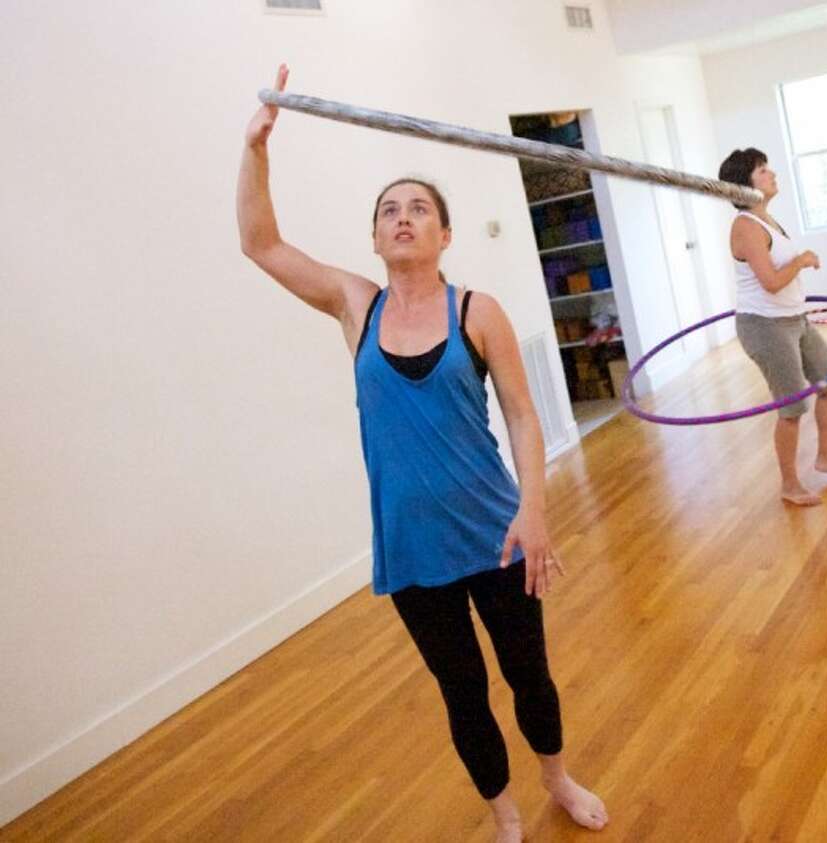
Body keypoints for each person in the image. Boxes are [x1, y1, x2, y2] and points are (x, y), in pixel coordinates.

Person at [236, 65, 607, 843]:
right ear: (375, 237)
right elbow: (260, 243)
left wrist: (534, 513)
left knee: (528, 675)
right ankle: (505, 813)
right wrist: (258, 149)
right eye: (390, 211)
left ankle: (557, 777)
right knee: (462, 691)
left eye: (420, 210)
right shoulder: (354, 305)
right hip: (409, 547)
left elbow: (523, 416)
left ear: (444, 234)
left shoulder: (478, 310)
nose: (403, 218)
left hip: (499, 534)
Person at [718, 148, 827, 507]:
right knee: (793, 406)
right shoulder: (746, 227)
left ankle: (826, 456)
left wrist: (798, 262)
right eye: (763, 171)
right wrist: (801, 260)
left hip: (795, 319)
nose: (772, 174)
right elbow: (770, 281)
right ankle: (789, 484)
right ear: (743, 186)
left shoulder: (767, 219)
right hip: (764, 327)